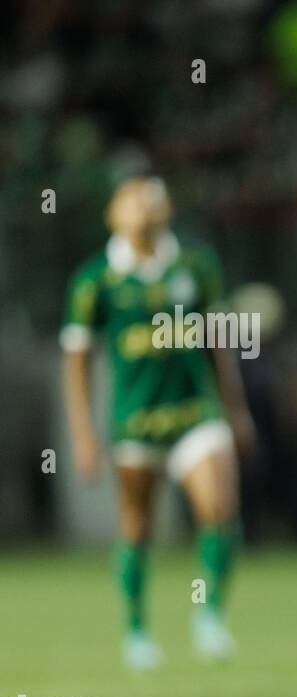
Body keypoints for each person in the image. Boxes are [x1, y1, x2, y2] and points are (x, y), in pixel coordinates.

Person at [62, 177, 251, 669]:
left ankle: (209, 617)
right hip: (136, 420)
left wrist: (235, 408)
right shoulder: (95, 279)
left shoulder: (194, 263)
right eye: (133, 201)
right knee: (136, 525)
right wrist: (83, 435)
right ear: (113, 215)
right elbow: (77, 360)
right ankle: (136, 630)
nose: (145, 208)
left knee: (218, 505)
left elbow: (219, 341)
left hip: (195, 411)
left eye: (153, 199)